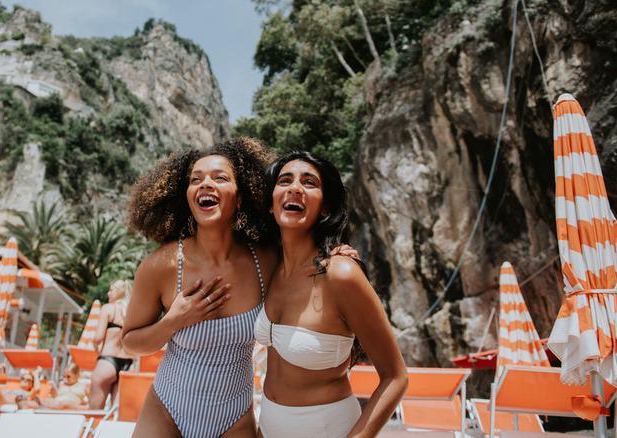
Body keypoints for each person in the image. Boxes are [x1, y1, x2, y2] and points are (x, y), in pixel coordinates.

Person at [122, 137, 280, 438]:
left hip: (234, 416)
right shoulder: (161, 265)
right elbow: (129, 342)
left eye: (220, 178)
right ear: (187, 196)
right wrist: (173, 321)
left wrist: (336, 250)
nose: (205, 184)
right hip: (167, 410)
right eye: (196, 180)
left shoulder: (267, 261)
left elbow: (309, 261)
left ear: (241, 196)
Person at [255, 151, 408, 438]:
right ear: (271, 205)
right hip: (268, 426)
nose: (295, 188)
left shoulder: (340, 274)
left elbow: (396, 377)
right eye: (284, 180)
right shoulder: (269, 266)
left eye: (309, 182)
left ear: (325, 208)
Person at [89, 279, 134, 409]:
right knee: (116, 416)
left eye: (111, 290)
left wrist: (95, 346)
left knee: (94, 413)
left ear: (119, 292)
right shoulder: (131, 312)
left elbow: (98, 337)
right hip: (127, 364)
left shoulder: (108, 309)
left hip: (107, 362)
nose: (108, 293)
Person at [17, 363, 88, 410]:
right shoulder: (62, 384)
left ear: (77, 374)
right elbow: (55, 396)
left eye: (68, 376)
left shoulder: (84, 386)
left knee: (64, 403)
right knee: (47, 400)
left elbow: (92, 401)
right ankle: (24, 404)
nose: (66, 378)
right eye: (64, 376)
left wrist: (83, 406)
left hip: (71, 403)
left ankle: (45, 406)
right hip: (58, 401)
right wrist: (53, 394)